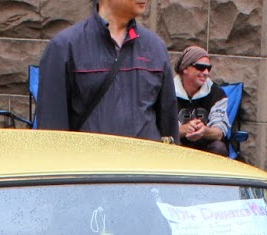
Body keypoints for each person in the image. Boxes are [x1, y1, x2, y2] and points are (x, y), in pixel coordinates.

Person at [36, 0, 178, 140]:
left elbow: (168, 126)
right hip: (90, 154)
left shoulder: (155, 47)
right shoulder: (65, 47)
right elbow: (52, 129)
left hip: (145, 154)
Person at [172, 45, 228, 154]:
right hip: (177, 148)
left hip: (206, 149)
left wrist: (204, 131)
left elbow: (220, 132)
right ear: (185, 68)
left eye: (208, 68)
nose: (206, 72)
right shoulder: (167, 92)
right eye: (201, 67)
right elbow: (162, 129)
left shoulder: (217, 93)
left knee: (219, 147)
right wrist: (184, 129)